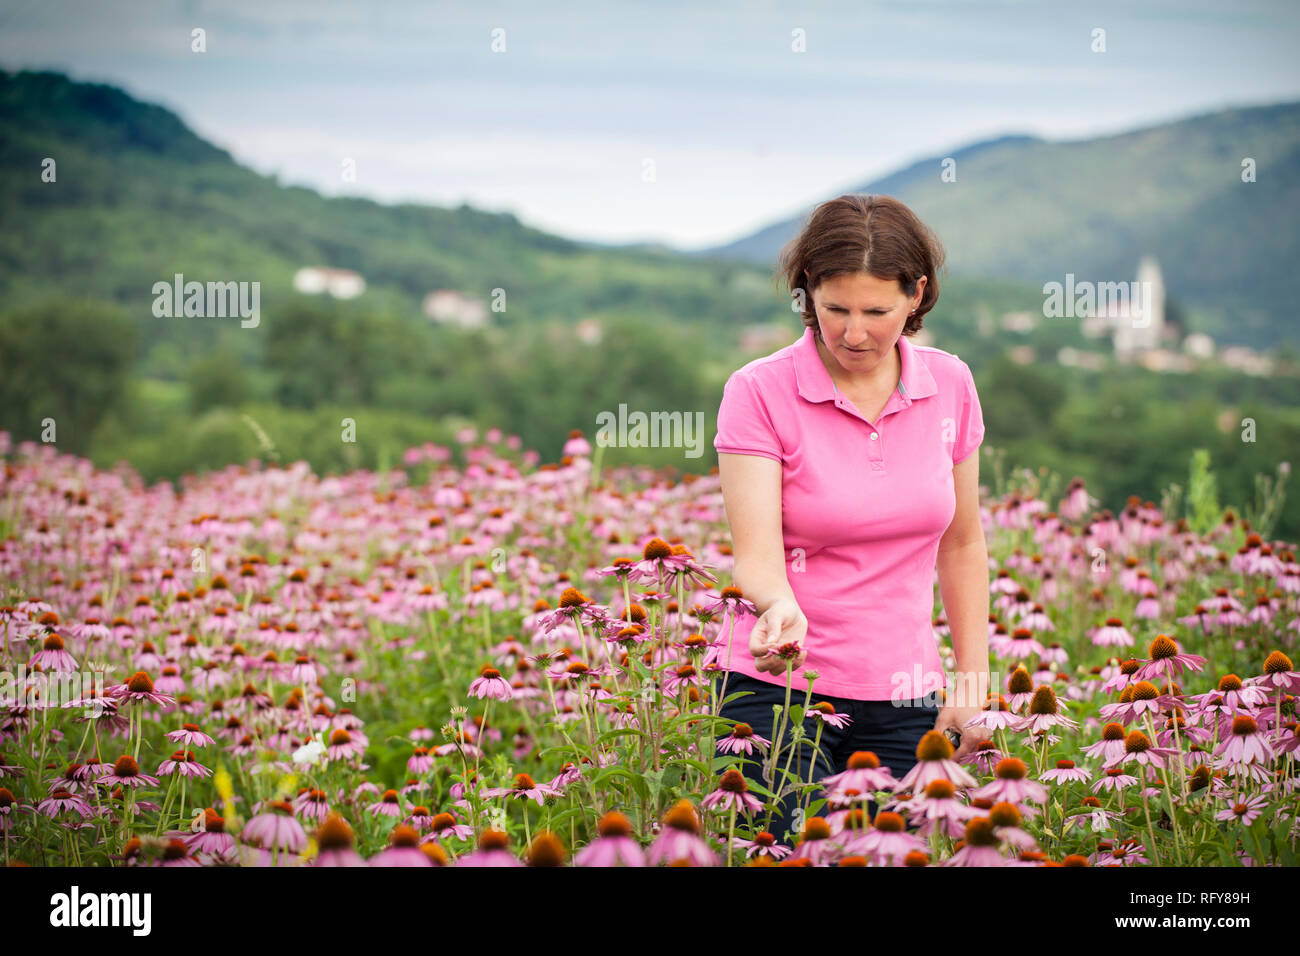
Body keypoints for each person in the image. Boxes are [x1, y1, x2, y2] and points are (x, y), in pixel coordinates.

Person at [710, 194, 992, 845]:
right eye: (835, 309)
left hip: (904, 693)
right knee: (786, 855)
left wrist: (971, 681)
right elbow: (756, 555)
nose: (854, 332)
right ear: (807, 293)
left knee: (892, 857)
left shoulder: (950, 385)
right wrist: (777, 606)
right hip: (778, 691)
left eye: (877, 311)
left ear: (917, 296)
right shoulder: (758, 391)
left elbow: (963, 545)